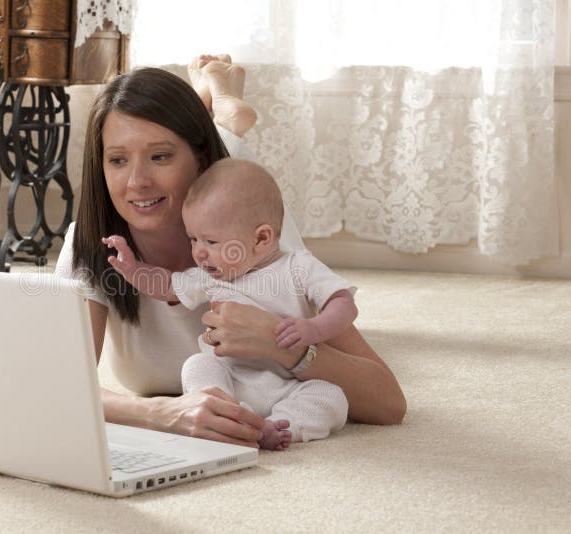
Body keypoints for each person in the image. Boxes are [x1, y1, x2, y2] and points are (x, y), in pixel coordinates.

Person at [56, 57, 406, 449]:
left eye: (160, 157)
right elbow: (58, 387)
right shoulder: (93, 245)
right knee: (217, 155)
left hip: (229, 198)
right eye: (118, 160)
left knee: (236, 176)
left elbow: (389, 403)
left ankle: (223, 110)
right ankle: (222, 105)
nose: (136, 181)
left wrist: (285, 348)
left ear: (201, 159)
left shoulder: (254, 240)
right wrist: (162, 413)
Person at [102, 158, 357, 450]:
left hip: (289, 386)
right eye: (193, 239)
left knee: (332, 396)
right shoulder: (213, 278)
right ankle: (227, 419)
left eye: (210, 241)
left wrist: (314, 328)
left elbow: (344, 302)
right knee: (198, 365)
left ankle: (280, 425)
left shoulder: (298, 267)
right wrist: (135, 270)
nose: (198, 253)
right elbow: (168, 285)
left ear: (261, 239)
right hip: (232, 381)